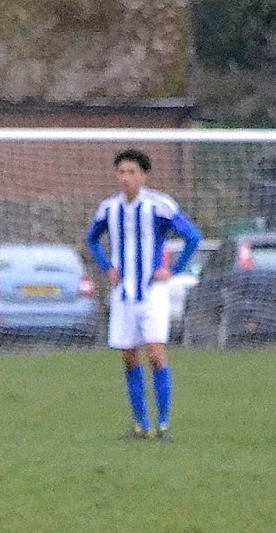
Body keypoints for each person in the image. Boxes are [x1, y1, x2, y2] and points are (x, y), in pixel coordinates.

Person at [86, 149, 201, 440]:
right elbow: (92, 238)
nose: (126, 178)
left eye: (132, 172)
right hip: (123, 295)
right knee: (129, 358)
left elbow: (192, 236)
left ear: (144, 176)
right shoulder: (109, 208)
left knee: (156, 354)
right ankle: (140, 425)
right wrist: (107, 266)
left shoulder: (159, 205)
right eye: (121, 172)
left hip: (152, 293)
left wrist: (173, 270)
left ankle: (163, 425)